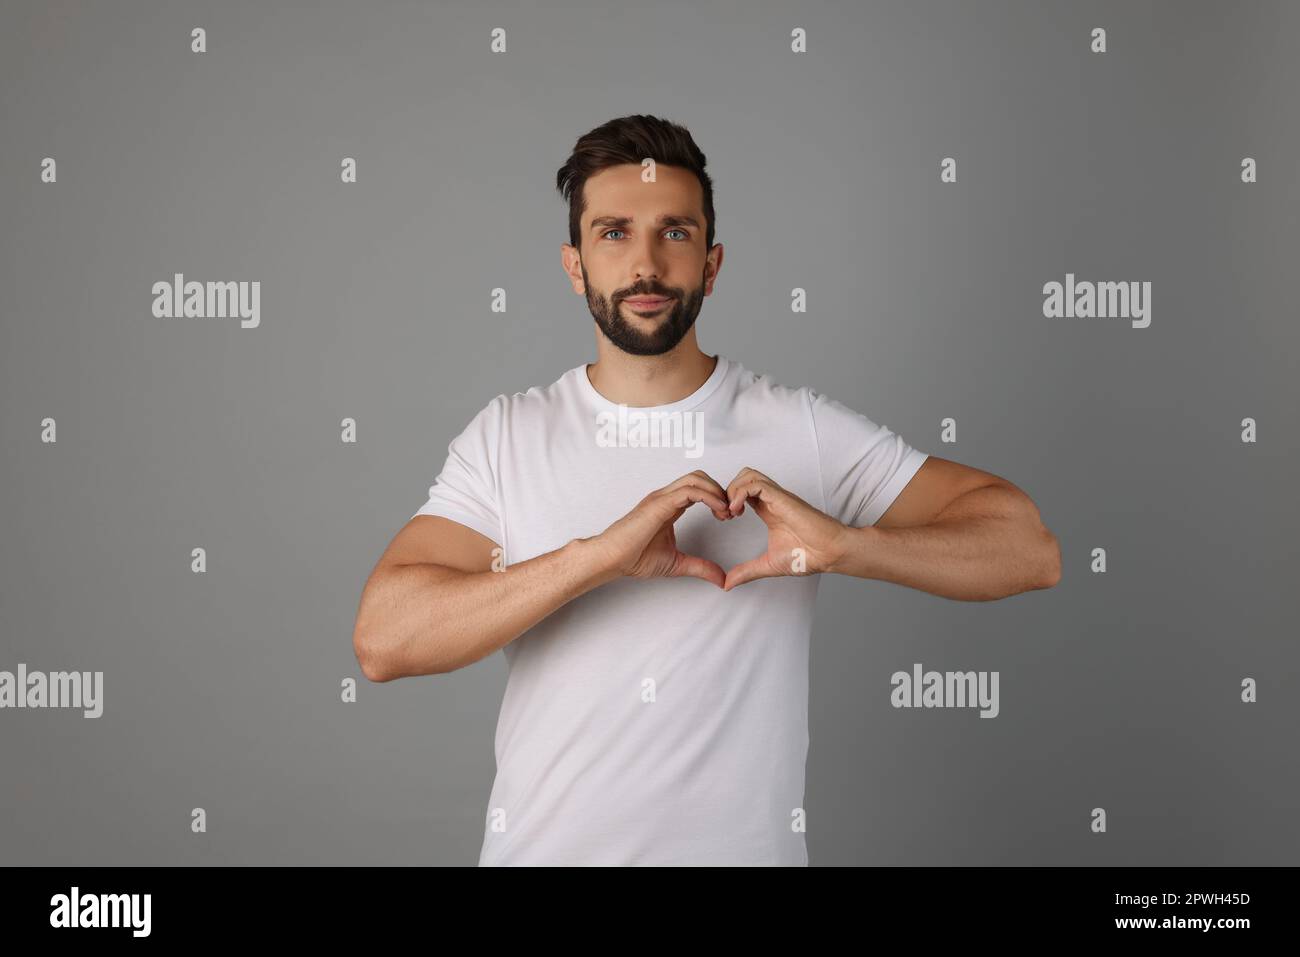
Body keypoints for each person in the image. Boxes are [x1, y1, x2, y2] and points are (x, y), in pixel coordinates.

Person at [351, 114, 1061, 866]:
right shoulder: (508, 436)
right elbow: (384, 640)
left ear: (712, 264)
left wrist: (849, 545)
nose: (647, 264)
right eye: (615, 233)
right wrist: (596, 557)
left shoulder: (799, 430)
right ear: (575, 264)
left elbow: (1029, 549)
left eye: (676, 233)